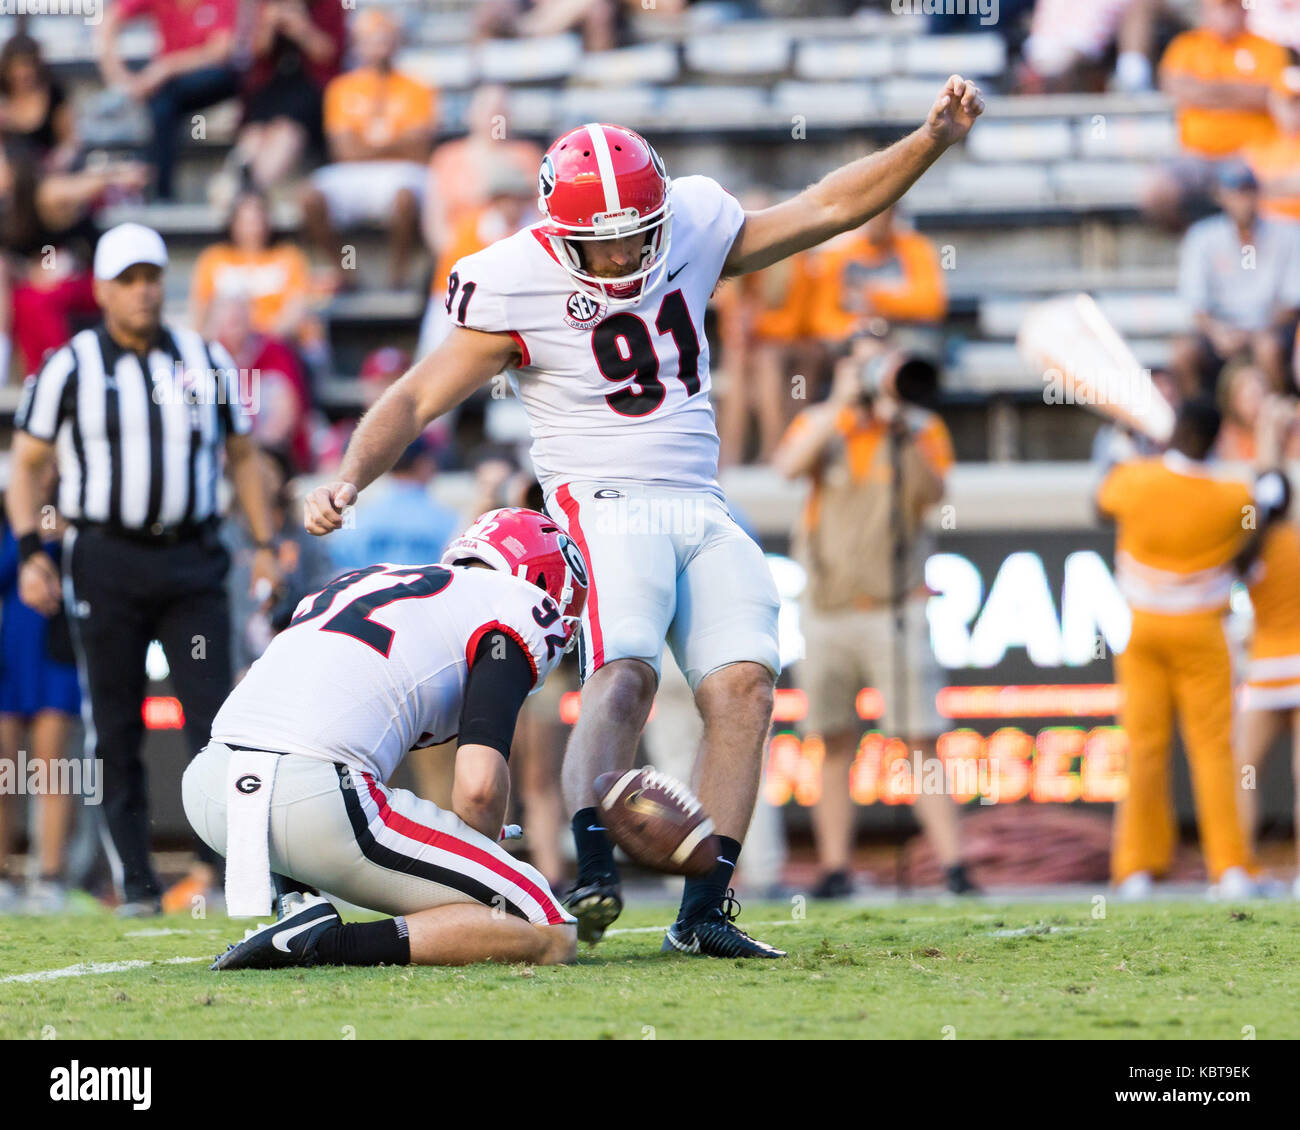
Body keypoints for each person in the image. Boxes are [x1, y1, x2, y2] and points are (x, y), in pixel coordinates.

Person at [303, 76, 986, 958]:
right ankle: (593, 863)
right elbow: (415, 397)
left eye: (639, 237)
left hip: (701, 498)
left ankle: (705, 912)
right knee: (625, 673)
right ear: (559, 235)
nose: (627, 257)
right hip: (601, 499)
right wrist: (351, 473)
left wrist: (929, 139)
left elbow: (827, 207)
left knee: (744, 687)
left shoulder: (694, 224)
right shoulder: (513, 279)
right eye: (607, 244)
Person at [6, 222, 282, 916]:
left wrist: (266, 542)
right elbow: (28, 467)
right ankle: (134, 881)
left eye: (152, 276)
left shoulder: (203, 358)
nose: (144, 291)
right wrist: (33, 551)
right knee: (115, 720)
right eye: (128, 280)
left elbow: (243, 455)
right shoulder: (70, 366)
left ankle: (224, 874)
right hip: (106, 557)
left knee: (216, 717)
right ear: (101, 290)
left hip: (191, 556)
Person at [186, 508, 583, 969]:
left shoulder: (371, 580)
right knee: (550, 930)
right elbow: (478, 788)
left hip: (210, 788)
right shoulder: (513, 605)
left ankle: (298, 905)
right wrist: (483, 850)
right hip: (312, 796)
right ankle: (324, 943)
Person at [773, 337, 976, 898]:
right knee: (832, 740)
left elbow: (933, 495)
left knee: (919, 740)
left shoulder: (919, 427)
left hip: (897, 606)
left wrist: (899, 427)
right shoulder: (822, 422)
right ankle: (835, 867)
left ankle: (953, 866)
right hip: (827, 608)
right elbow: (787, 466)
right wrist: (842, 407)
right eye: (861, 360)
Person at [1096, 396, 1290, 898]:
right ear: (1217, 439)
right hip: (1202, 633)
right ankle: (1229, 868)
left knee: (1144, 749)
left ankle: (1136, 869)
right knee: (1213, 752)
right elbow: (1274, 497)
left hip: (1143, 632)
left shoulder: (1136, 480)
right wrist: (1268, 444)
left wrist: (1123, 444)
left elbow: (1099, 501)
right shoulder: (1229, 496)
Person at [301, 7, 436, 291]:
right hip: (354, 172)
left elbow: (420, 151)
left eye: (385, 38)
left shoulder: (418, 87)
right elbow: (343, 152)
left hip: (401, 173)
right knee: (309, 198)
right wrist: (396, 144)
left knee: (405, 198)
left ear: (397, 42)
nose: (379, 46)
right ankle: (344, 273)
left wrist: (365, 146)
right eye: (372, 39)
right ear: (358, 44)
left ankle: (398, 275)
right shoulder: (341, 88)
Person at [1143, 0, 1291, 228]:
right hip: (1197, 156)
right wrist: (1240, 92)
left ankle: (1244, 250)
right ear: (1206, 10)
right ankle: (1197, 240)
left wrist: (1205, 91)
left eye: (1234, 7)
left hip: (1253, 155)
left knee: (1251, 195)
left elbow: (1268, 95)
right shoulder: (1187, 45)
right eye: (1222, 7)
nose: (1228, 14)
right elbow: (1175, 86)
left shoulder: (1268, 47)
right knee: (1156, 192)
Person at [0, 502, 80, 914]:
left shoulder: (79, 508)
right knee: (4, 770)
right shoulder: (12, 515)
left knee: (52, 769)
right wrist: (28, 546)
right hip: (9, 656)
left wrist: (65, 538)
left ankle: (49, 876)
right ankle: (3, 877)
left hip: (56, 652)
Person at [96, 0, 244, 201]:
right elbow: (109, 20)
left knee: (161, 100)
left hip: (214, 81)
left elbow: (220, 52)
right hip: (168, 90)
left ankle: (157, 192)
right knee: (161, 105)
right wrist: (120, 79)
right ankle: (158, 193)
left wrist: (164, 70)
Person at [1174, 161, 1300, 396]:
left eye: (1247, 192)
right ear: (1221, 197)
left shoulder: (1289, 234)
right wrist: (1218, 333)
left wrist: (1252, 334)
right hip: (1221, 331)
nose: (1243, 201)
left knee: (1268, 348)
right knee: (1183, 353)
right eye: (1236, 193)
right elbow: (1195, 304)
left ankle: (1278, 417)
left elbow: (1291, 304)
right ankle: (1198, 422)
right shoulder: (1202, 238)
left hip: (1270, 328)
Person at [225, 0, 347, 197]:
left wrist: (300, 27)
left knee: (285, 131)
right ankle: (245, 189)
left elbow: (329, 54)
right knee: (255, 135)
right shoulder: (263, 6)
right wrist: (269, 25)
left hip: (311, 90)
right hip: (272, 88)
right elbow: (257, 53)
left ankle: (249, 193)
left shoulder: (330, 6)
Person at [806, 205, 948, 342]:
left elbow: (931, 304)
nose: (877, 221)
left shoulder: (915, 248)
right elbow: (821, 317)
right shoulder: (839, 254)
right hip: (853, 340)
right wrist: (853, 328)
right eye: (871, 214)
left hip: (903, 336)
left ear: (893, 215)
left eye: (883, 214)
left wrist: (873, 297)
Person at [0, 33, 77, 171]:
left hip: (48, 174)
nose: (22, 73)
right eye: (16, 67)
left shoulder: (54, 92)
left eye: (27, 65)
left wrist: (60, 159)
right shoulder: (3, 97)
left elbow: (69, 141)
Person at [1243, 67, 1300, 225]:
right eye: (1290, 102)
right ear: (1274, 102)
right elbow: (1241, 192)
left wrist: (1263, 187)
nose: (1296, 109)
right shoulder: (1259, 142)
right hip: (1265, 228)